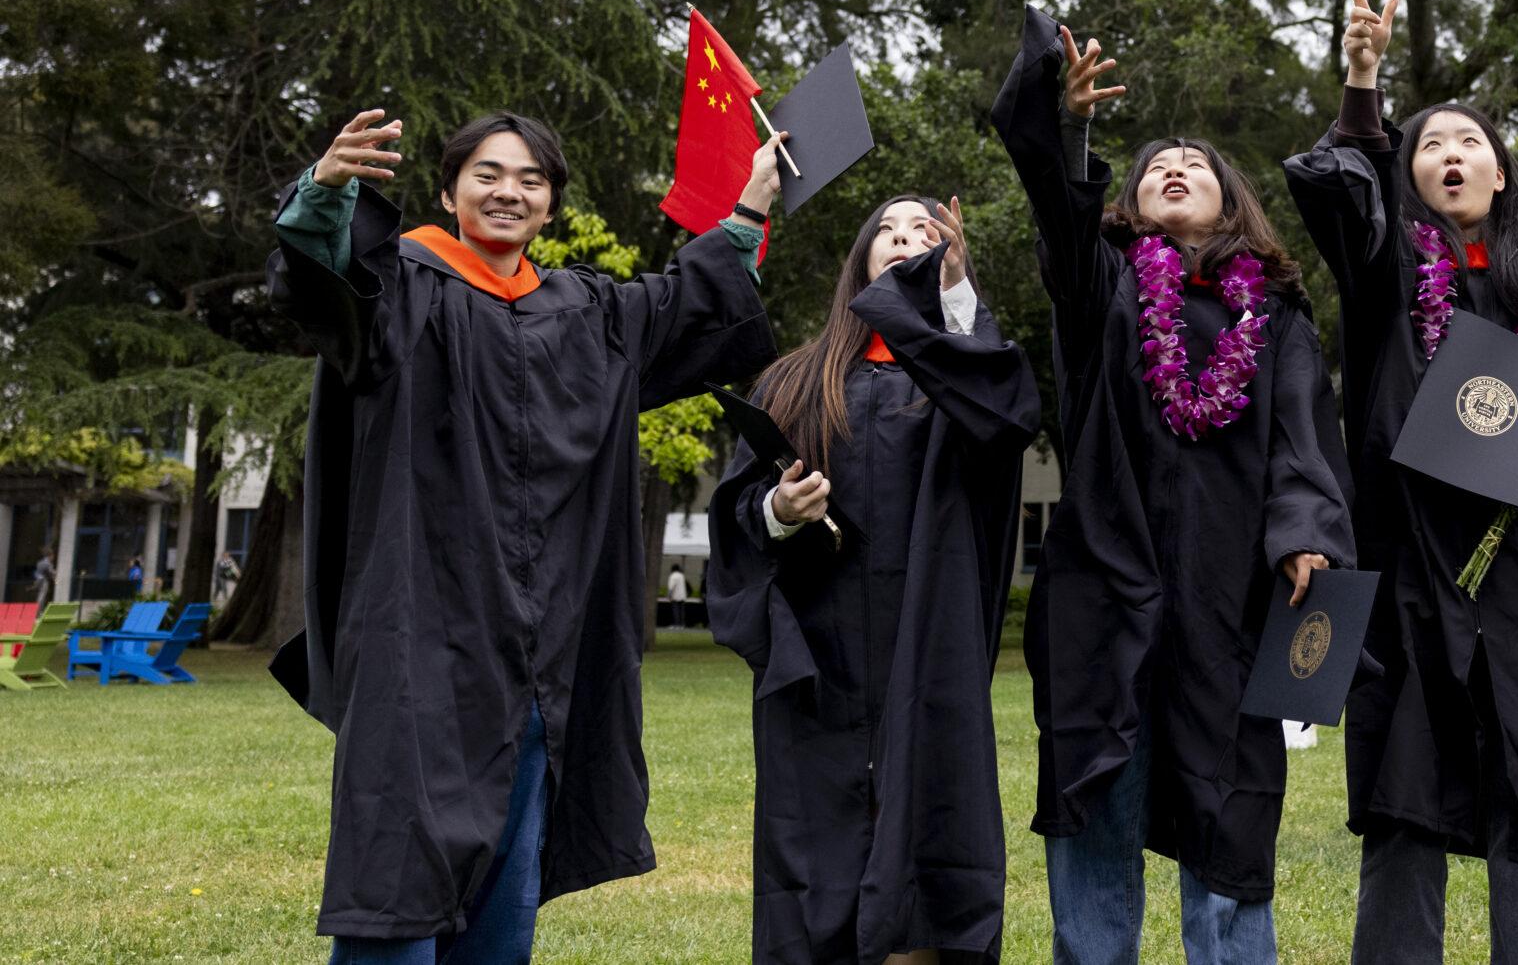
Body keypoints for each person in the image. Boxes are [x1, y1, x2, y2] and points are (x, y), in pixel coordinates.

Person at [268, 105, 783, 964]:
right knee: (398, 877)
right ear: (448, 190)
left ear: (550, 206)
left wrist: (752, 205)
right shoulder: (398, 288)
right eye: (489, 175)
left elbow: (691, 298)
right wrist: (323, 193)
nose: (509, 192)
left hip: (537, 653)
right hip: (419, 642)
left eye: (531, 181)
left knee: (505, 898)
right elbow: (322, 280)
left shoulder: (584, 311)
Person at [1283, 0, 1518, 965]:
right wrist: (1363, 83)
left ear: (1500, 166)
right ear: (1410, 175)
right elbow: (1339, 190)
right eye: (1428, 145)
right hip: (1413, 577)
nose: (1449, 154)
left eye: (1468, 141)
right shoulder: (1389, 274)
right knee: (1405, 810)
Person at [992, 8, 1354, 965]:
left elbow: (1304, 445)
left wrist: (1305, 530)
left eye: (1195, 162)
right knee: (1096, 806)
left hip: (1226, 600)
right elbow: (1059, 214)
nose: (1174, 168)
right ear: (1133, 204)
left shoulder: (1276, 319)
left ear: (1232, 199)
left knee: (1229, 817)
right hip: (1104, 592)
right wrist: (1067, 131)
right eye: (1156, 166)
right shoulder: (1102, 284)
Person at [709, 193, 1039, 965]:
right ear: (859, 264)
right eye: (886, 231)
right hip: (820, 663)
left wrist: (957, 290)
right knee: (813, 856)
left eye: (923, 229)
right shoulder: (795, 380)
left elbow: (1003, 421)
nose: (903, 239)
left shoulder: (967, 378)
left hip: (931, 652)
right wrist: (780, 510)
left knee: (930, 853)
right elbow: (739, 513)